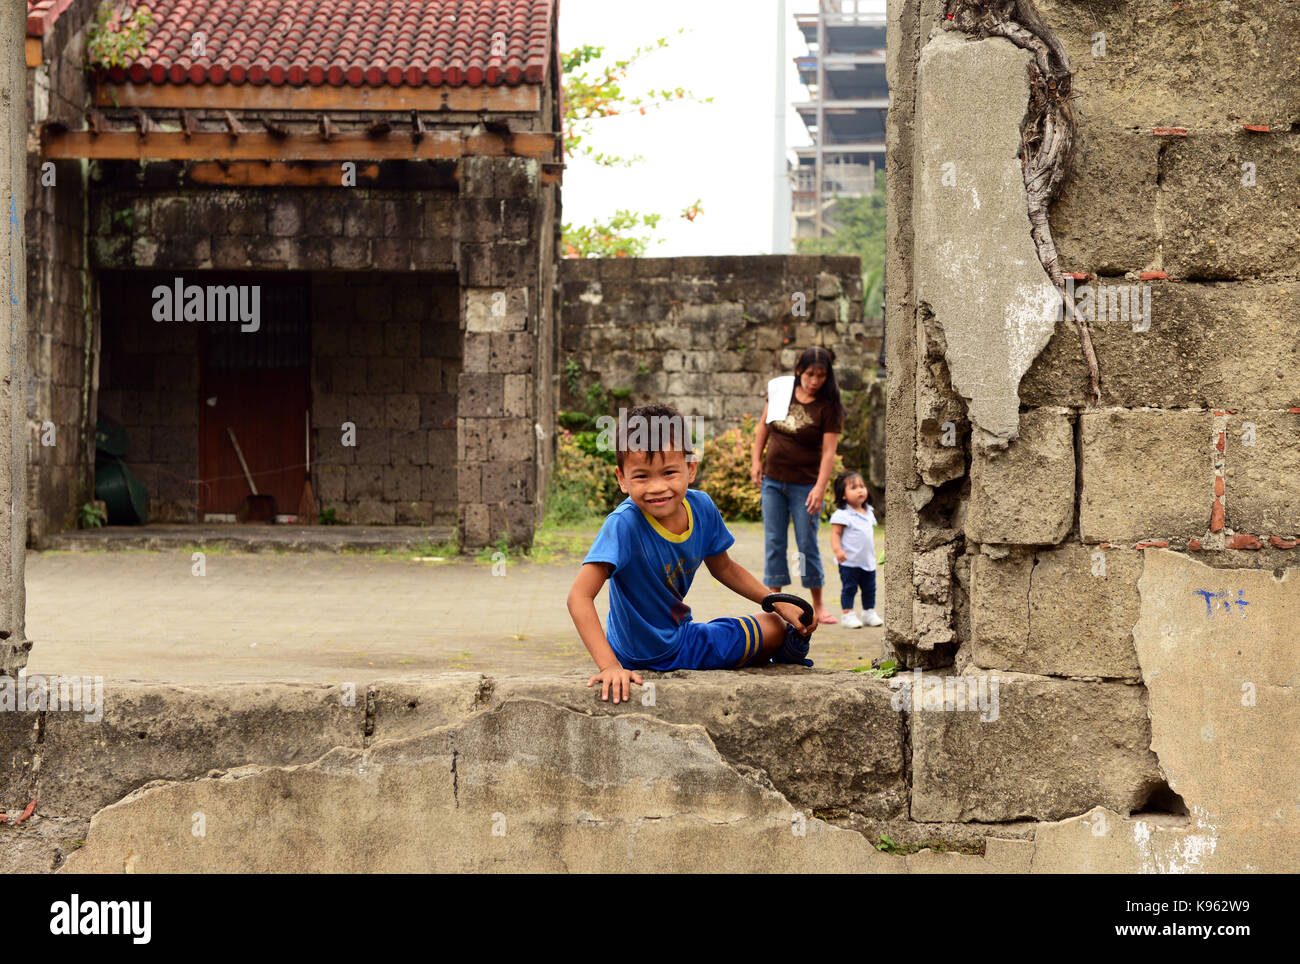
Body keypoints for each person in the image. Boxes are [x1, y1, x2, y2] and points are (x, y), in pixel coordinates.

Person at [567, 404, 819, 704]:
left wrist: (776, 602)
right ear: (622, 479)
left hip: (683, 635)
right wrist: (610, 666)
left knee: (776, 624)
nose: (658, 487)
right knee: (775, 634)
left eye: (669, 472)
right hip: (639, 653)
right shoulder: (623, 525)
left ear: (691, 468)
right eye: (642, 477)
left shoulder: (701, 508)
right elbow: (578, 597)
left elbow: (724, 568)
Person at [750, 346, 847, 625]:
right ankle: (773, 603)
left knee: (806, 543)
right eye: (809, 374)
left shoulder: (828, 407)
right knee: (774, 542)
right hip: (773, 481)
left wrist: (819, 488)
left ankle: (817, 604)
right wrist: (756, 461)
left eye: (821, 375)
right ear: (798, 371)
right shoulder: (782, 390)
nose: (814, 381)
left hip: (805, 485)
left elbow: (829, 452)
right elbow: (764, 427)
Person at [829, 471, 883, 628]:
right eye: (854, 487)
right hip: (849, 562)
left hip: (867, 560)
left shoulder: (869, 511)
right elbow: (835, 534)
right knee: (849, 588)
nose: (860, 490)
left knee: (870, 589)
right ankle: (848, 615)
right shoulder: (842, 514)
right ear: (843, 495)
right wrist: (837, 550)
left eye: (862, 486)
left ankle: (868, 613)